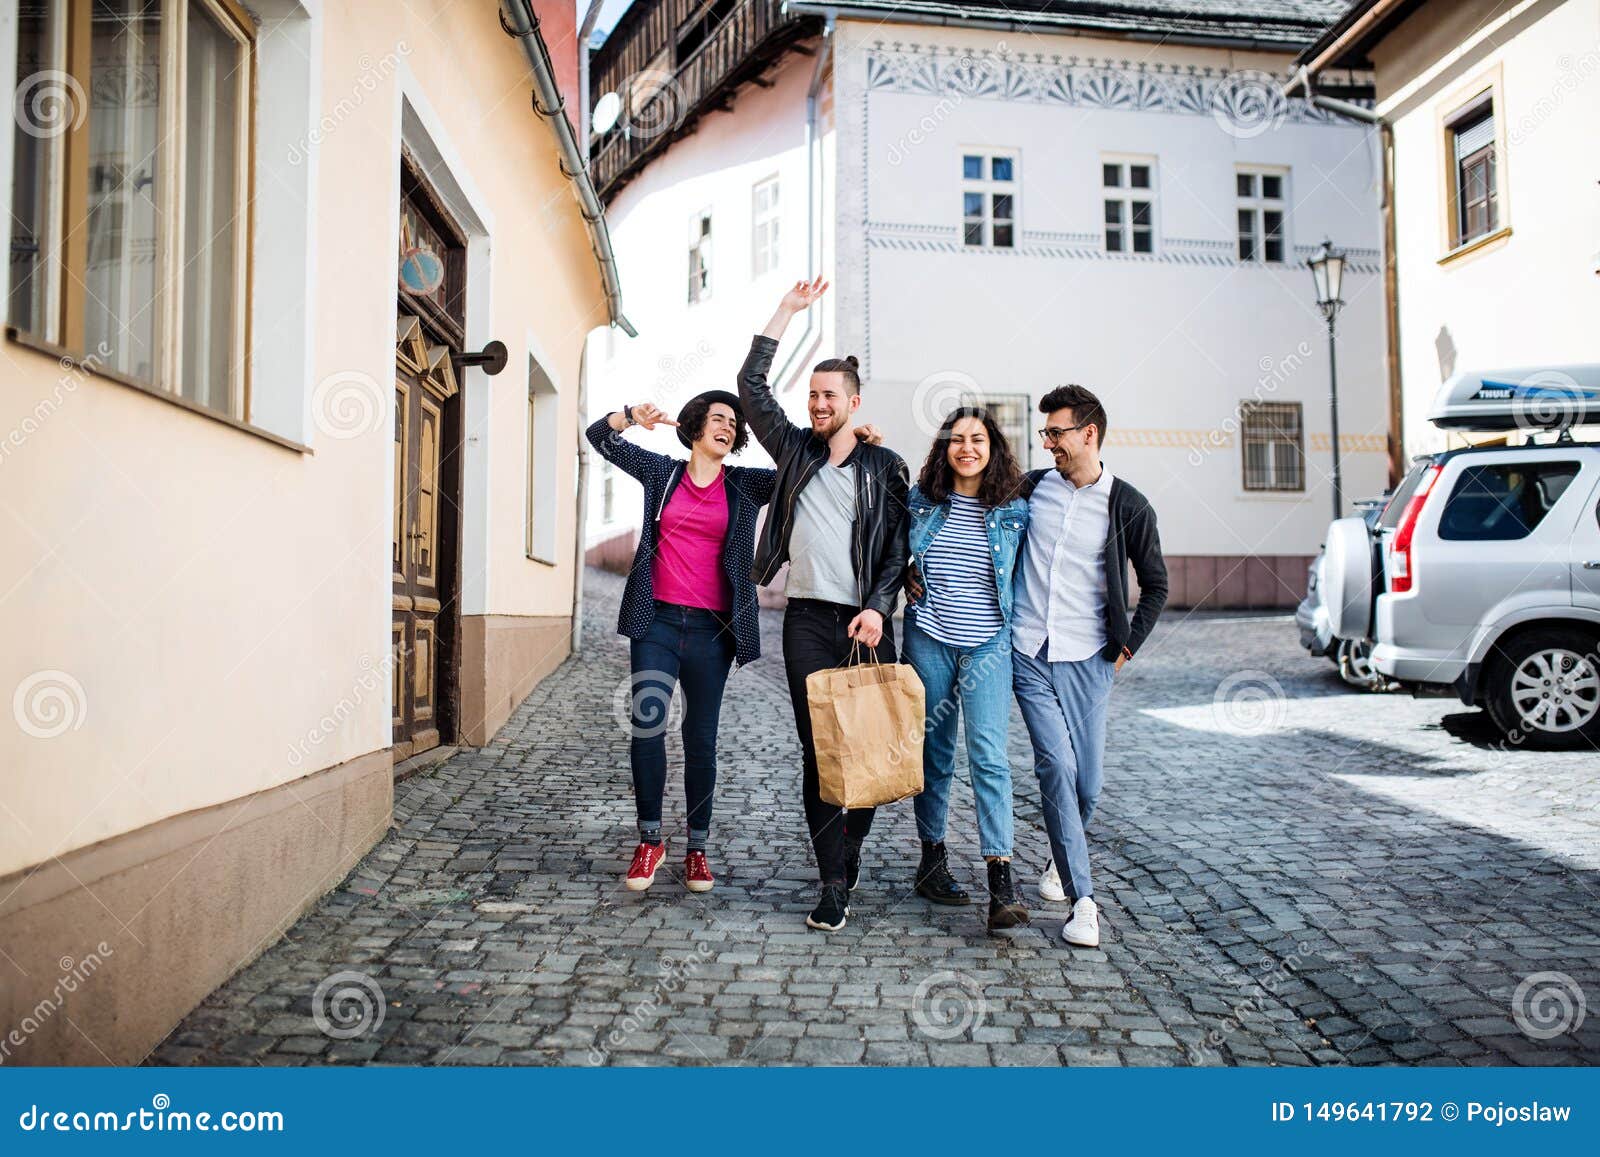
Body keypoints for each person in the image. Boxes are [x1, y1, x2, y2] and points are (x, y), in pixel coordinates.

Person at [737, 277, 911, 933]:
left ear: (854, 401)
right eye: (811, 394)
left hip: (865, 623)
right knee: (821, 751)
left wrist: (879, 607)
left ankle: (850, 848)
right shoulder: (794, 450)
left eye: (828, 395)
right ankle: (832, 882)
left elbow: (898, 549)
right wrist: (785, 311)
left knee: (868, 753)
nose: (816, 404)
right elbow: (752, 388)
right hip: (807, 619)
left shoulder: (885, 466)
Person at [585, 393, 772, 895]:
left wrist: (854, 440)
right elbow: (598, 438)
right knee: (646, 726)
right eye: (718, 418)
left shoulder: (746, 484)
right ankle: (649, 841)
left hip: (713, 632)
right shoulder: (663, 474)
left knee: (701, 741)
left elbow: (803, 469)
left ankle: (697, 849)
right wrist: (628, 416)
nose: (728, 427)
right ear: (693, 426)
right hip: (658, 623)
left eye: (734, 423)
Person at [1011, 384, 1167, 947]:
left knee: (1090, 784)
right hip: (1029, 651)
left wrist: (1126, 648)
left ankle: (1060, 854)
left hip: (1090, 660)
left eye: (1056, 432)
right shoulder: (1031, 489)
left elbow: (1156, 585)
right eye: (1045, 432)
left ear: (1089, 434)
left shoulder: (1128, 504)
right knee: (1055, 766)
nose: (1048, 441)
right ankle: (1084, 901)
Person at [902, 407, 1032, 932]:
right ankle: (932, 860)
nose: (967, 448)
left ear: (993, 446)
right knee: (934, 752)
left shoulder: (1015, 507)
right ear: (944, 448)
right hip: (929, 636)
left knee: (989, 757)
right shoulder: (920, 500)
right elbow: (891, 550)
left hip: (988, 644)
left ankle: (1000, 879)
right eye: (956, 439)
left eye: (977, 439)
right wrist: (905, 574)